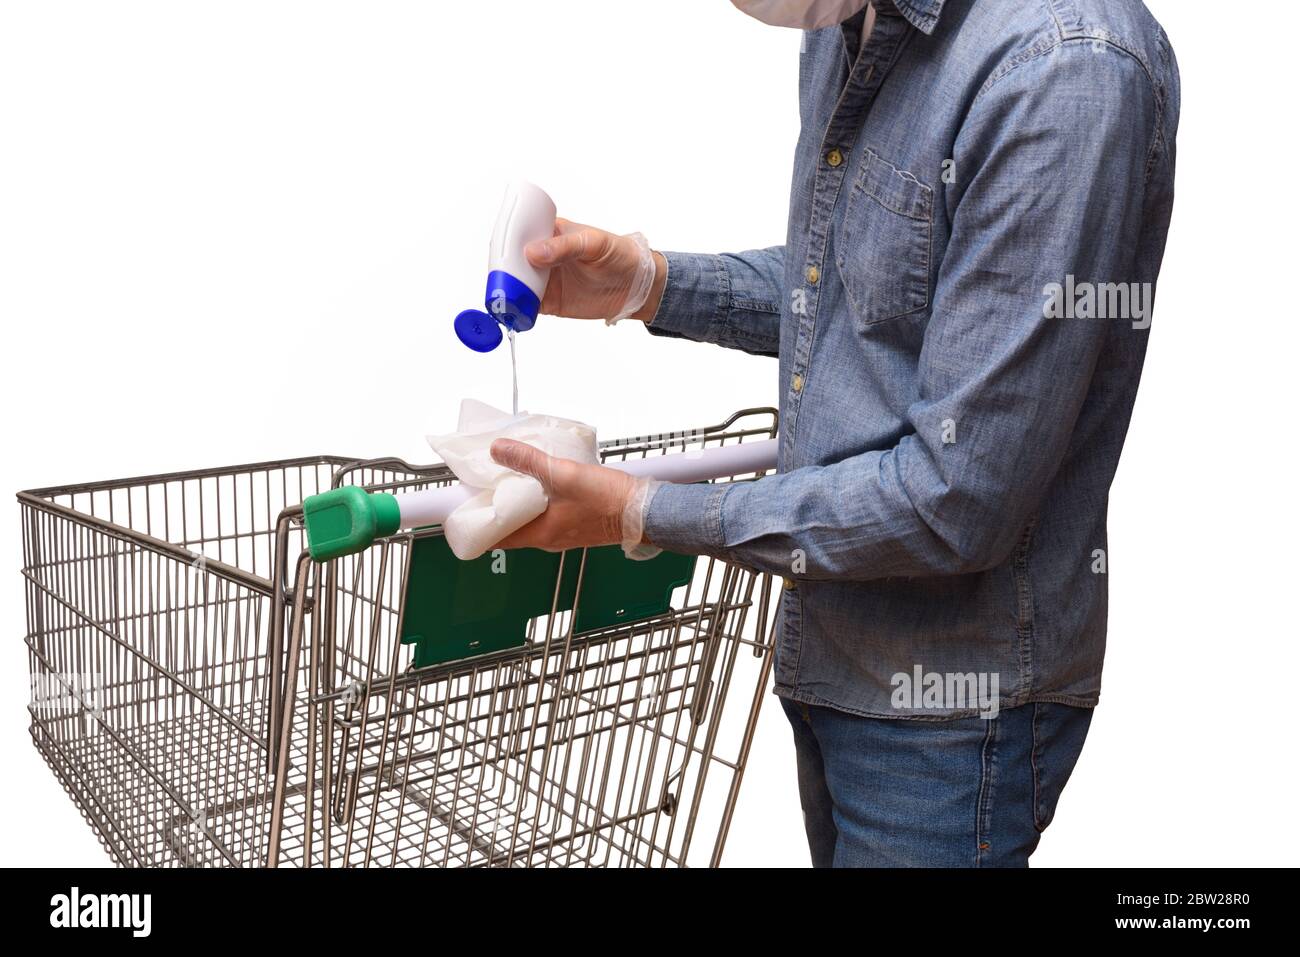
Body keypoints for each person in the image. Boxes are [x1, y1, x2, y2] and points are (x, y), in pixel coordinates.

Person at [488, 0, 1180, 867]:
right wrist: (651, 286)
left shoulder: (1065, 68)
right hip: (832, 653)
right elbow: (864, 284)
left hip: (949, 711)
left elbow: (957, 501)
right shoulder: (845, 19)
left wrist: (642, 514)